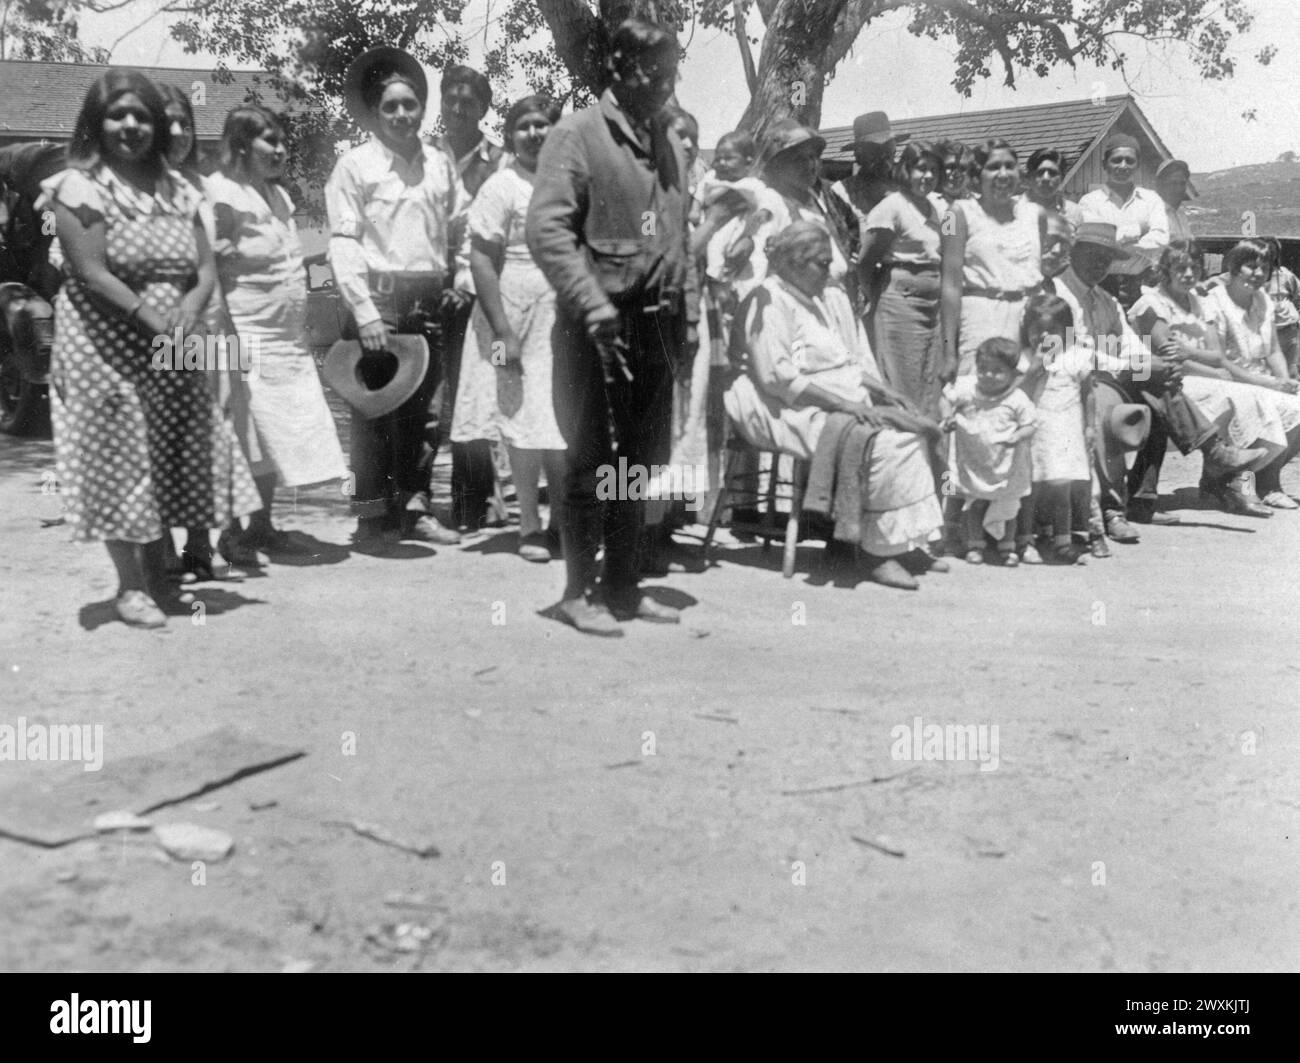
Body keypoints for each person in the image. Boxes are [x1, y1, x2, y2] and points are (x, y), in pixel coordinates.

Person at [42, 69, 260, 627]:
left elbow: (205, 269)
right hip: (104, 343)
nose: (130, 125)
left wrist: (189, 309)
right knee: (119, 457)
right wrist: (154, 320)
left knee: (172, 447)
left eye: (141, 116)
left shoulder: (180, 189)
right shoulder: (79, 187)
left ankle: (164, 570)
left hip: (173, 339)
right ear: (96, 124)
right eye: (117, 115)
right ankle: (130, 586)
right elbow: (91, 271)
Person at [526, 17, 697, 635]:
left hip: (657, 328)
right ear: (618, 67)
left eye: (671, 73)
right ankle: (576, 593)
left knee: (638, 465)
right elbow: (546, 229)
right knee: (590, 461)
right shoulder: (576, 135)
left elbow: (676, 237)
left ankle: (622, 586)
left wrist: (688, 315)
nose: (663, 84)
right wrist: (592, 304)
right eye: (652, 72)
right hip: (594, 329)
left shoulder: (669, 142)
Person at [724, 222, 945, 590]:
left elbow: (847, 362)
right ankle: (874, 552)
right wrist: (844, 404)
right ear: (792, 263)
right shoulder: (768, 300)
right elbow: (778, 378)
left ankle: (904, 541)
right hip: (778, 406)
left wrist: (885, 392)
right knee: (887, 444)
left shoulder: (819, 298)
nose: (829, 273)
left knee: (913, 429)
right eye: (821, 264)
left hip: (829, 398)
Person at [325, 46, 469, 548]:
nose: (402, 114)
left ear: (422, 108)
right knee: (373, 408)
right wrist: (364, 312)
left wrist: (463, 277)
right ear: (374, 113)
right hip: (379, 300)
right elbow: (343, 243)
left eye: (410, 105)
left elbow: (464, 227)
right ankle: (370, 516)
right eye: (391, 107)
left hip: (428, 301)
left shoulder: (440, 165)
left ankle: (415, 508)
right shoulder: (355, 167)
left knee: (425, 412)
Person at [1047, 223, 1261, 541]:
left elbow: (1129, 343)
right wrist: (1138, 366)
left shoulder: (1104, 299)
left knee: (1159, 384)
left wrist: (1153, 365)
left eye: (1106, 259)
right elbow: (1071, 351)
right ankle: (1113, 509)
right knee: (1114, 407)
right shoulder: (1057, 292)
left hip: (1106, 373)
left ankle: (1144, 499)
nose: (1099, 265)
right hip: (1065, 378)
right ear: (1075, 253)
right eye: (1093, 255)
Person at [207, 105, 348, 554]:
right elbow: (208, 265)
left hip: (285, 336)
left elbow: (299, 257)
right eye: (271, 140)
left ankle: (263, 525)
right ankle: (231, 532)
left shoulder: (279, 196)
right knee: (242, 430)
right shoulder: (221, 193)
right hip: (243, 331)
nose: (282, 149)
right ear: (241, 145)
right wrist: (223, 332)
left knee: (275, 432)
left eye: (284, 141)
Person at [450, 95, 567, 563]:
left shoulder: (572, 181)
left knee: (558, 418)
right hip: (509, 316)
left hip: (560, 314)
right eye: (524, 126)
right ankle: (529, 525)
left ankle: (562, 521)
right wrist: (503, 331)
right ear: (510, 135)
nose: (535, 134)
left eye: (543, 125)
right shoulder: (500, 186)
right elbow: (481, 259)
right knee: (519, 419)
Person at [1127, 244, 1284, 517]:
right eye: (1181, 268)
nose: (1189, 274)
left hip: (1198, 380)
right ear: (1165, 271)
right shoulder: (1152, 304)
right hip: (1164, 380)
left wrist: (1192, 353)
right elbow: (1169, 357)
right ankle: (1231, 477)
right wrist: (1212, 370)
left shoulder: (1201, 302)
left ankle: (1238, 480)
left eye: (1195, 268)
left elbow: (1217, 354)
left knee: (1250, 397)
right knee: (1239, 395)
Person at [431, 63, 507, 532]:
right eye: (451, 99)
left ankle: (473, 503)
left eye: (469, 102)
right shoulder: (424, 155)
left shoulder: (498, 161)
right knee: (424, 396)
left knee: (472, 392)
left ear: (483, 109)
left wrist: (467, 283)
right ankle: (411, 504)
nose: (458, 109)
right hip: (422, 284)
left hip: (476, 288)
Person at [1199, 239, 1300, 509]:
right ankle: (1242, 485)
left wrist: (1285, 380)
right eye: (1250, 266)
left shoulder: (1263, 300)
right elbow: (1219, 359)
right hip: (1224, 377)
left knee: (1297, 403)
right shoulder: (1214, 301)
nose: (1258, 274)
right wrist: (1268, 383)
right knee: (1263, 404)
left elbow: (1273, 349)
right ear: (1233, 267)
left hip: (1259, 376)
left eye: (1264, 268)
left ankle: (1266, 481)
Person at [939, 138, 1042, 381]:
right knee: (979, 389)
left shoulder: (1035, 213)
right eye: (994, 167)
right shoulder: (954, 214)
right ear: (977, 176)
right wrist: (948, 352)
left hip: (1029, 319)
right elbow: (950, 285)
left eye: (1010, 166)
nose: (1003, 174)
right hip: (981, 318)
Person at [858, 139, 945, 418]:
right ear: (906, 170)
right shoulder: (892, 207)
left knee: (930, 378)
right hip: (900, 304)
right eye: (921, 169)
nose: (928, 176)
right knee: (903, 379)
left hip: (933, 305)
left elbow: (952, 246)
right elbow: (865, 261)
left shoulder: (940, 208)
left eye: (934, 170)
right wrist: (872, 295)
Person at [941, 337, 1037, 565]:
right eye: (983, 369)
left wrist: (1018, 436)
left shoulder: (1017, 398)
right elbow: (945, 398)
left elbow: (1030, 424)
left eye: (997, 371)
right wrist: (947, 416)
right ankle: (975, 546)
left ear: (1013, 373)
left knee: (1008, 507)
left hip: (1006, 466)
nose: (988, 375)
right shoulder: (967, 388)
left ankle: (1007, 546)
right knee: (975, 503)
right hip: (974, 463)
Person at [1019, 294, 1093, 564]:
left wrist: (1090, 427)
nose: (1043, 336)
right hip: (1035, 434)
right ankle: (1026, 540)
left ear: (1066, 332)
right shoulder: (1025, 358)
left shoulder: (1075, 357)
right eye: (1036, 329)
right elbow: (1018, 395)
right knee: (1031, 490)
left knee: (1062, 491)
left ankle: (1062, 541)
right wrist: (1034, 368)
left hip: (1065, 433)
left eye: (1052, 330)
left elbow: (1088, 394)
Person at [761, 118, 859, 307]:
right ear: (779, 165)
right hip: (797, 304)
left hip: (836, 299)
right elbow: (760, 264)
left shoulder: (821, 197)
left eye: (813, 157)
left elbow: (850, 232)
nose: (810, 165)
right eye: (799, 159)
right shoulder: (772, 201)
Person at [1077, 134, 1169, 307]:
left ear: (1137, 165)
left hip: (1142, 286)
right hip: (1102, 285)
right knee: (1105, 325)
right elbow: (1095, 245)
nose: (1123, 166)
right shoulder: (1089, 202)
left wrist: (1116, 241)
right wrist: (1140, 230)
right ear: (1105, 164)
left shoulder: (1151, 200)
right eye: (1117, 160)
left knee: (1143, 325)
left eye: (1130, 161)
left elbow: (1161, 239)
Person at [830, 111, 902, 234]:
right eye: (875, 153)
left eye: (889, 152)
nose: (884, 160)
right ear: (858, 155)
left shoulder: (904, 191)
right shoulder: (840, 193)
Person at [1022, 148, 1083, 232]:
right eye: (1040, 172)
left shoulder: (1073, 211)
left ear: (1062, 178)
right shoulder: (1012, 208)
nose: (1046, 178)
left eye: (1053, 173)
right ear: (1029, 177)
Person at [1154, 158, 1195, 248]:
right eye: (1173, 183)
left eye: (1182, 183)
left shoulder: (1180, 213)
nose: (1178, 189)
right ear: (1161, 185)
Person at [934, 140, 975, 206]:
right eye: (951, 167)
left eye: (962, 168)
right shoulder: (927, 203)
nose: (956, 174)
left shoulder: (979, 204)